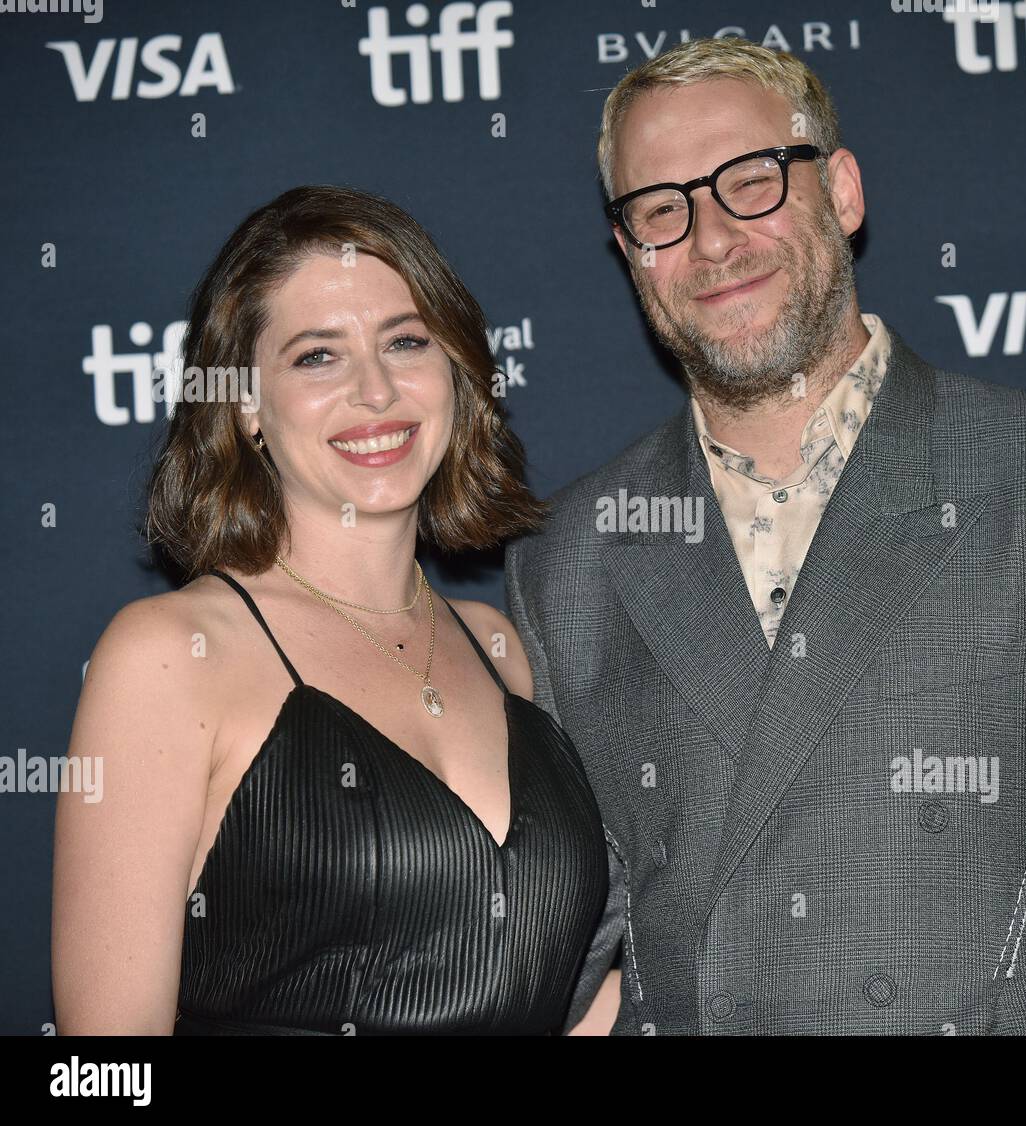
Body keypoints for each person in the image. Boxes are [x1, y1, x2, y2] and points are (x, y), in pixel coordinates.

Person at [505, 38, 1026, 1035]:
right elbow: (580, 934)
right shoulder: (569, 559)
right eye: (661, 209)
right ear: (629, 254)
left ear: (844, 191)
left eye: (751, 180)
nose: (713, 239)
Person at [51, 185, 617, 1036]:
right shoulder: (172, 656)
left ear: (457, 372)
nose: (377, 391)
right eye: (317, 356)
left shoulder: (501, 647)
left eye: (406, 341)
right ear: (245, 404)